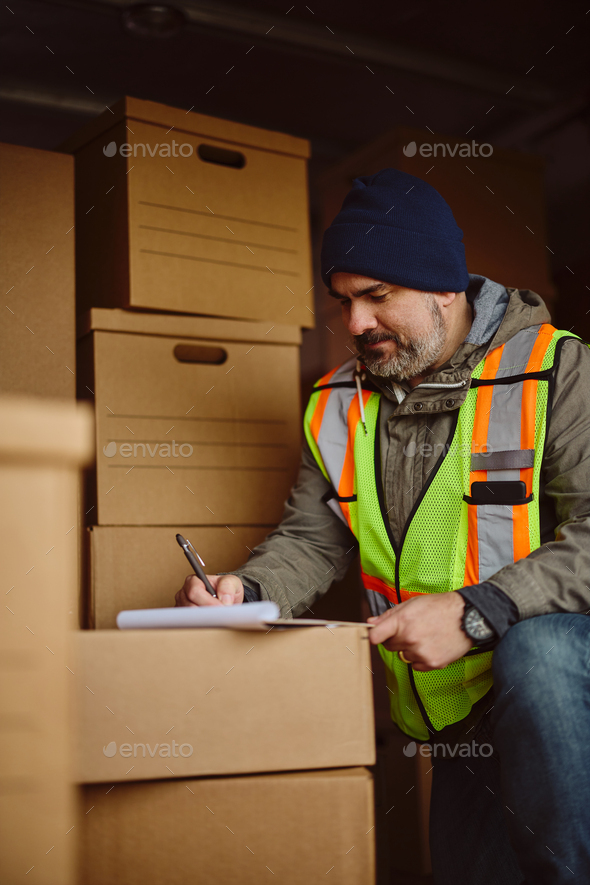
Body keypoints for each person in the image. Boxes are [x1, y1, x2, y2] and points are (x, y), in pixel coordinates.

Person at [175, 168, 590, 885]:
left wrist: (478, 611)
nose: (355, 323)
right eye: (343, 301)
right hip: (454, 709)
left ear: (443, 288)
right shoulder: (338, 400)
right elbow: (314, 537)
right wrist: (246, 587)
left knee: (540, 653)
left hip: (558, 692)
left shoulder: (556, 368)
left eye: (377, 296)